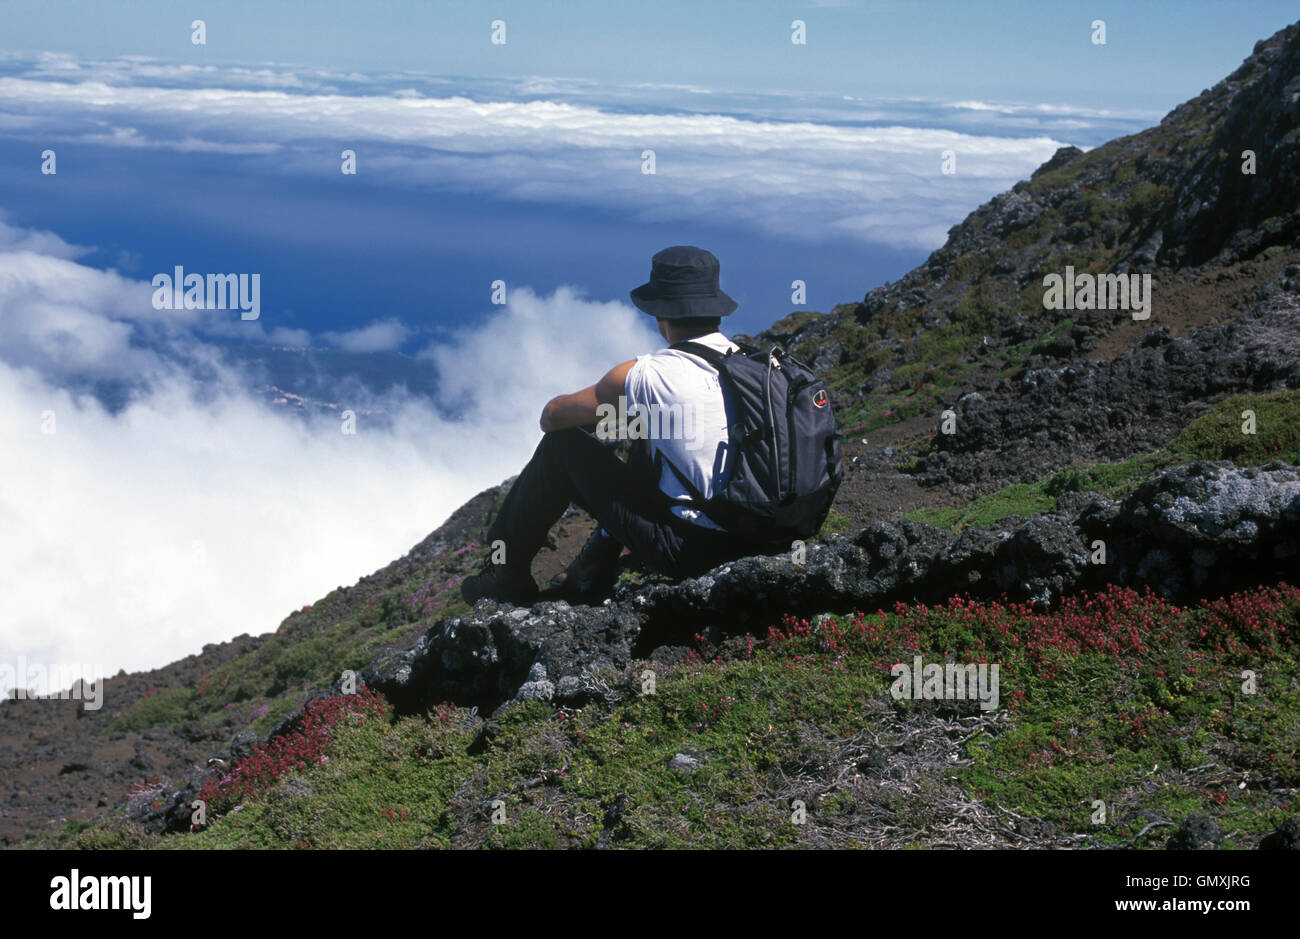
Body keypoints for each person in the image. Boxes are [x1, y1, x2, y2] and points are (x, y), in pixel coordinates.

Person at [461, 245, 764, 605]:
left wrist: (616, 414)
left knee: (563, 447)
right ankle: (593, 566)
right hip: (760, 533)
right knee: (650, 431)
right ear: (716, 310)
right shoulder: (754, 368)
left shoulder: (650, 375)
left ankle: (504, 574)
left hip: (694, 549)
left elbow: (553, 416)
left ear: (659, 314)